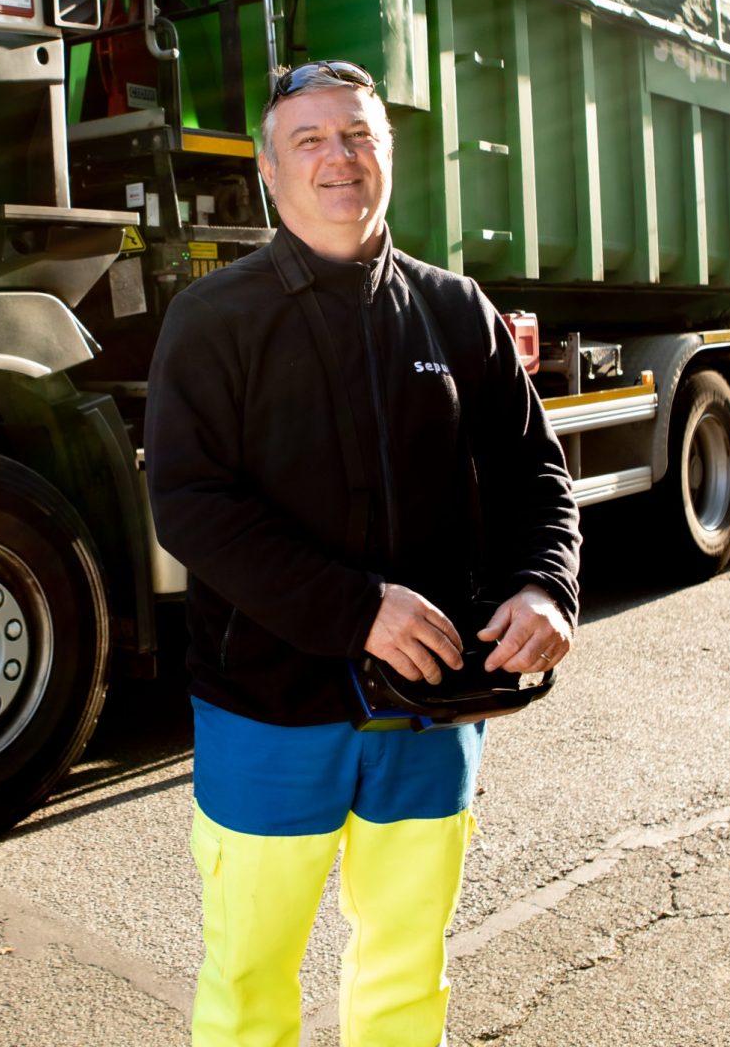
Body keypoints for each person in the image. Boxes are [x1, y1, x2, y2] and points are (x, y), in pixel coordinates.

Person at [144, 59, 582, 1046]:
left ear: (387, 156)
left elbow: (531, 477)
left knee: (403, 973)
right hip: (268, 712)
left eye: (356, 137)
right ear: (267, 170)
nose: (336, 159)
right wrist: (357, 610)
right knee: (249, 983)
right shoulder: (214, 320)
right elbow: (191, 506)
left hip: (431, 714)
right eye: (309, 141)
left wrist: (543, 587)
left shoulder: (452, 309)